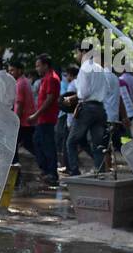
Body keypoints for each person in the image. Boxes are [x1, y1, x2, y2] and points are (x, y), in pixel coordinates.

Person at [65, 41, 109, 175]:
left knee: (71, 142)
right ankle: (100, 172)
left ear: (82, 52)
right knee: (98, 145)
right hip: (100, 109)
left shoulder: (84, 68)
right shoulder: (99, 68)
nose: (76, 55)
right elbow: (106, 88)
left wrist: (73, 98)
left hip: (87, 109)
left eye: (76, 52)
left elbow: (83, 93)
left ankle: (74, 172)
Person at [31, 54, 60, 185]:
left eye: (38, 65)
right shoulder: (46, 78)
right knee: (38, 142)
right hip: (42, 118)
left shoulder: (52, 78)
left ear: (45, 65)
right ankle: (47, 171)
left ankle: (51, 173)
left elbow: (50, 99)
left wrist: (36, 114)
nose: (37, 68)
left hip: (47, 118)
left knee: (48, 146)